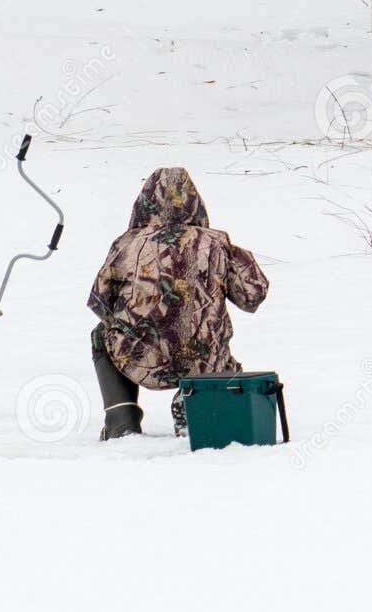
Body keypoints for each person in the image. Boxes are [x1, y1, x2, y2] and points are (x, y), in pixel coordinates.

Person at [88, 168, 269, 439]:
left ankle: (121, 418)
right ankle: (192, 402)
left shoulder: (125, 245)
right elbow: (254, 294)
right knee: (224, 358)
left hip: (137, 359)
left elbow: (99, 303)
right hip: (205, 366)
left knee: (101, 335)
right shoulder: (216, 243)